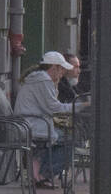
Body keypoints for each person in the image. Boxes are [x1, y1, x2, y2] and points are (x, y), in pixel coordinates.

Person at [16, 51, 71, 187]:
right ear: (54, 68)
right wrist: (81, 106)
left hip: (28, 124)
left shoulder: (38, 78)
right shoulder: (44, 80)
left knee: (61, 137)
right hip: (33, 126)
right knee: (69, 140)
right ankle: (42, 175)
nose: (63, 73)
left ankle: (37, 174)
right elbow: (54, 108)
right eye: (62, 69)